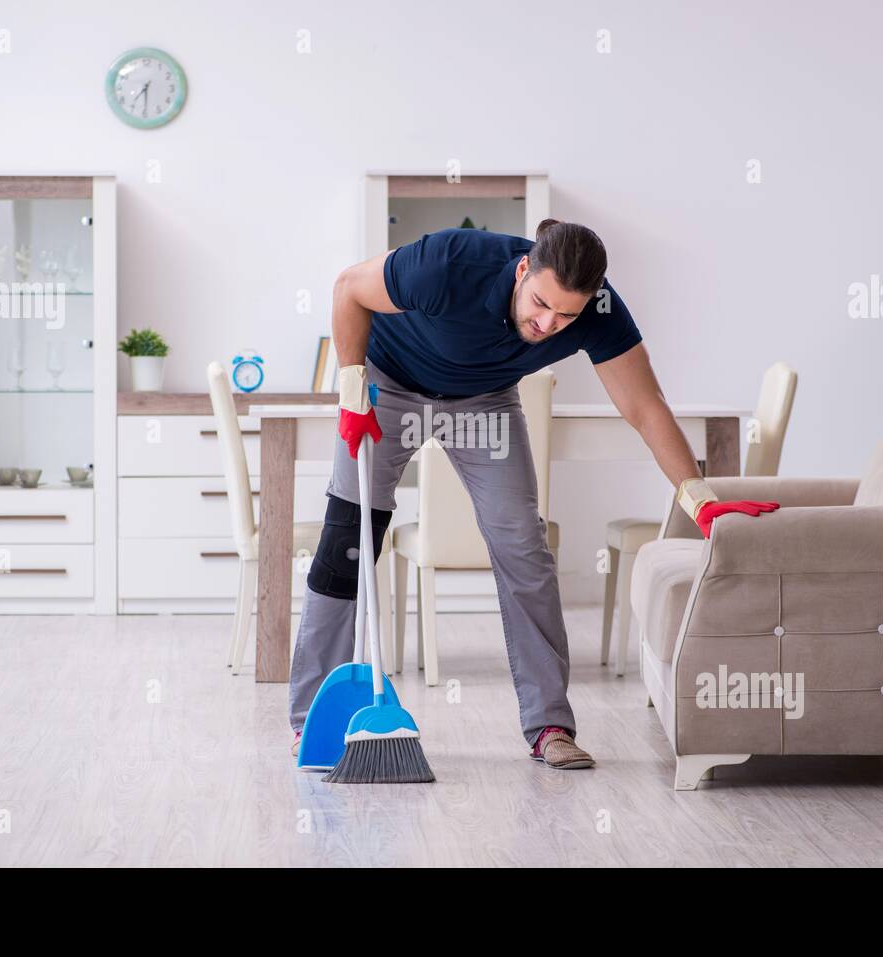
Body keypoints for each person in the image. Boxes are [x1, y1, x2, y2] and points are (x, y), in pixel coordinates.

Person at [289, 219, 778, 769]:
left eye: (566, 314)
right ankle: (313, 722)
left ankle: (549, 724)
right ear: (523, 270)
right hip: (390, 382)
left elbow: (645, 406)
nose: (548, 324)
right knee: (348, 541)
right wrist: (353, 388)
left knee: (524, 544)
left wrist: (698, 498)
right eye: (540, 303)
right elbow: (349, 289)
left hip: (483, 402)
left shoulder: (600, 312)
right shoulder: (449, 263)